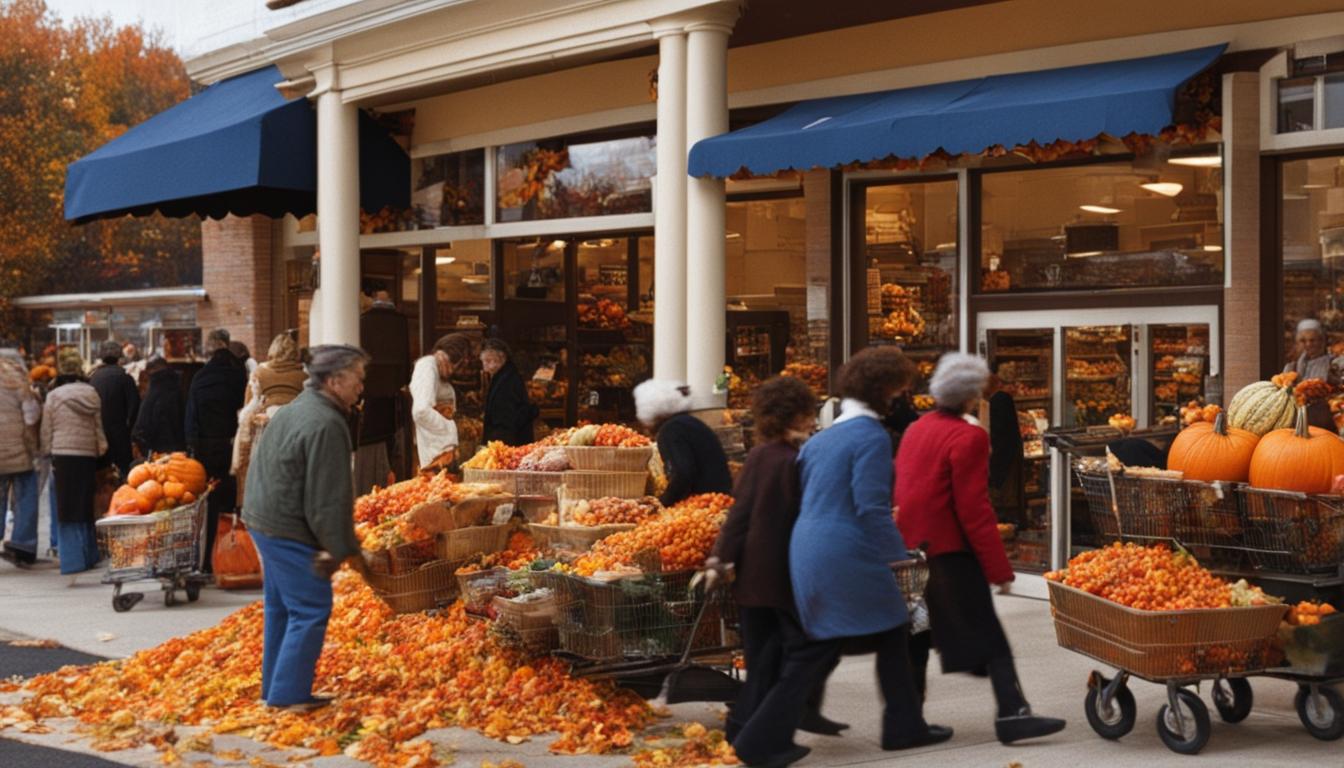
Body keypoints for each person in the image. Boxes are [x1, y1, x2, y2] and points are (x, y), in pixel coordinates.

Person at [771, 347, 951, 765]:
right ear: (883, 392)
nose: (902, 398)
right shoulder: (870, 437)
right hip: (845, 549)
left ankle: (791, 713)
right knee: (892, 628)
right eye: (899, 391)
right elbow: (871, 507)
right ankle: (902, 726)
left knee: (845, 635)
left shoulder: (824, 438)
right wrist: (898, 555)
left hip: (808, 546)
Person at [895, 353, 1066, 745]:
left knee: (917, 636)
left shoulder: (917, 429)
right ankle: (1012, 712)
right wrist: (998, 568)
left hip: (912, 550)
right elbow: (973, 508)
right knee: (989, 633)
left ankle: (908, 718)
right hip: (950, 554)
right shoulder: (969, 437)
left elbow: (903, 490)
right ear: (971, 396)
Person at [704, 376, 850, 759]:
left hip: (752, 576)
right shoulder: (794, 462)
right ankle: (763, 743)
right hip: (784, 575)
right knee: (801, 654)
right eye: (808, 413)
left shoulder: (759, 455)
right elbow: (804, 521)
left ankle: (741, 733)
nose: (812, 420)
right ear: (796, 415)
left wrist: (720, 558)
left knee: (763, 660)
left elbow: (740, 513)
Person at [242, 345, 369, 712]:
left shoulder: (300, 406)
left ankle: (274, 689)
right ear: (334, 381)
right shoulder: (327, 423)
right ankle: (287, 695)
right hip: (285, 524)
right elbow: (327, 499)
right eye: (357, 379)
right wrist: (343, 547)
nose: (361, 387)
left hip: (263, 516)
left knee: (281, 606)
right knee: (311, 607)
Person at [186, 329, 248, 573]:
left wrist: (192, 447)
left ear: (212, 347)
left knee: (209, 504)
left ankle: (207, 561)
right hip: (232, 446)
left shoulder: (200, 377)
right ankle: (234, 557)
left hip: (206, 448)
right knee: (233, 502)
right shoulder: (237, 375)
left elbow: (191, 418)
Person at [41, 348, 107, 575]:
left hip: (63, 455)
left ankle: (72, 560)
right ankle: (89, 554)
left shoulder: (54, 396)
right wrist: (100, 450)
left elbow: (46, 430)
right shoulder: (92, 393)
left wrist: (45, 451)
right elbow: (98, 428)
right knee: (84, 504)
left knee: (66, 508)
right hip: (87, 455)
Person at [233, 334, 307, 506]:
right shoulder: (304, 375)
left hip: (265, 428)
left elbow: (250, 404)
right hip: (294, 428)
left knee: (265, 474)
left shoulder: (259, 372)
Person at [633, 380, 732, 507]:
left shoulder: (670, 431)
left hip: (704, 504)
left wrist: (664, 502)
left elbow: (682, 474)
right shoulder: (688, 423)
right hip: (719, 498)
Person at [359, 293, 411, 487]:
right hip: (391, 402)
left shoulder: (363, 322)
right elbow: (405, 370)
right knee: (390, 448)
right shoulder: (401, 323)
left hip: (367, 402)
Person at [0, 344, 41, 567]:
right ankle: (23, 544)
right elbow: (31, 416)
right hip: (18, 451)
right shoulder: (18, 381)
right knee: (26, 494)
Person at [410, 333, 472, 472]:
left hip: (443, 450)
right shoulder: (427, 367)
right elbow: (421, 411)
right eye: (460, 365)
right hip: (434, 455)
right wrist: (449, 428)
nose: (460, 371)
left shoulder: (438, 369)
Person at [89, 340, 140, 480]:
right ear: (119, 357)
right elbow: (134, 408)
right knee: (125, 473)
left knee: (102, 475)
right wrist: (132, 434)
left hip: (98, 434)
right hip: (120, 435)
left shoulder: (93, 378)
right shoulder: (126, 379)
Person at [982, 366, 1025, 527]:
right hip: (1007, 457)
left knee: (1005, 500)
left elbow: (999, 435)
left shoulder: (998, 401)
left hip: (1003, 460)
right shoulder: (1000, 400)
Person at [480, 339, 538, 446]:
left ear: (500, 360)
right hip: (511, 439)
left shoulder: (507, 381)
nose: (484, 365)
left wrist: (497, 446)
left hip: (509, 442)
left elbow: (505, 418)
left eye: (487, 361)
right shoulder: (504, 376)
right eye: (484, 361)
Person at [1284, 318, 1339, 431]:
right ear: (1296, 344)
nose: (1308, 344)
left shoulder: (1334, 364)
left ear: (1322, 341)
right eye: (1303, 341)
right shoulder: (1290, 367)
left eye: (1313, 340)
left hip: (1325, 425)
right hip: (1296, 424)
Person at [132, 356, 186, 457]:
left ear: (151, 371)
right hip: (180, 449)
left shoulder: (154, 390)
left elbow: (142, 426)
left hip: (158, 451)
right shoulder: (179, 387)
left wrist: (140, 443)